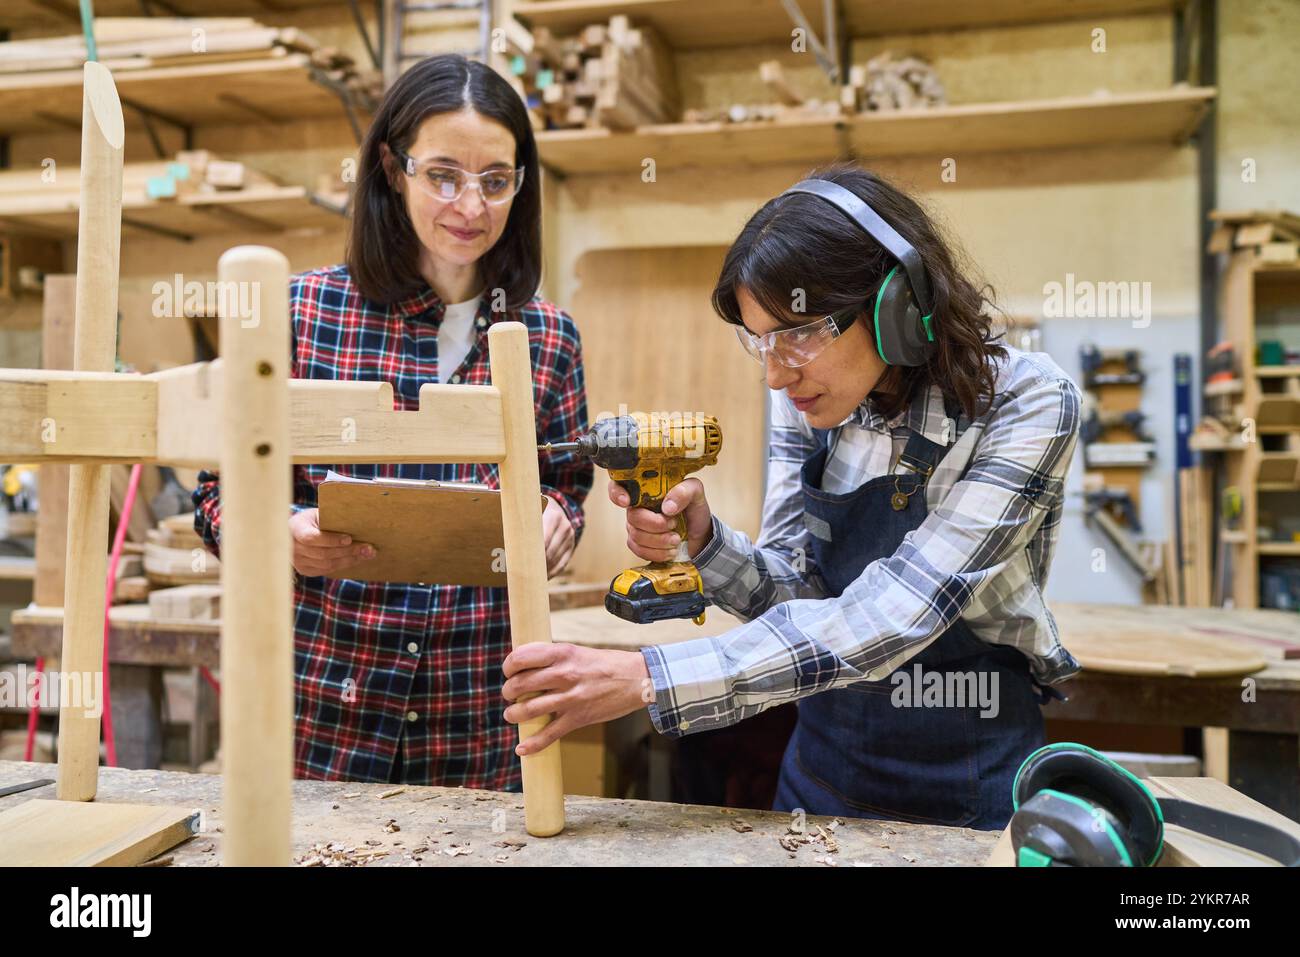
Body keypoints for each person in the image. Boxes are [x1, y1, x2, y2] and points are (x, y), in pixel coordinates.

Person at [501, 163, 1081, 829]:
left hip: (971, 781)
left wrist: (649, 677)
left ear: (897, 303)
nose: (776, 373)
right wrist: (707, 545)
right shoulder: (807, 396)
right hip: (825, 772)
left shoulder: (1027, 400)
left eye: (801, 333)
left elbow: (893, 617)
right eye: (761, 340)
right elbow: (796, 591)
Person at [194, 54, 592, 789]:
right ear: (391, 168)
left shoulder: (550, 338)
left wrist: (559, 519)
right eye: (442, 175)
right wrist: (280, 532)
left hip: (477, 713)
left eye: (496, 182)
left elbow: (566, 485)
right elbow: (218, 493)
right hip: (324, 712)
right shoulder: (300, 313)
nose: (471, 207)